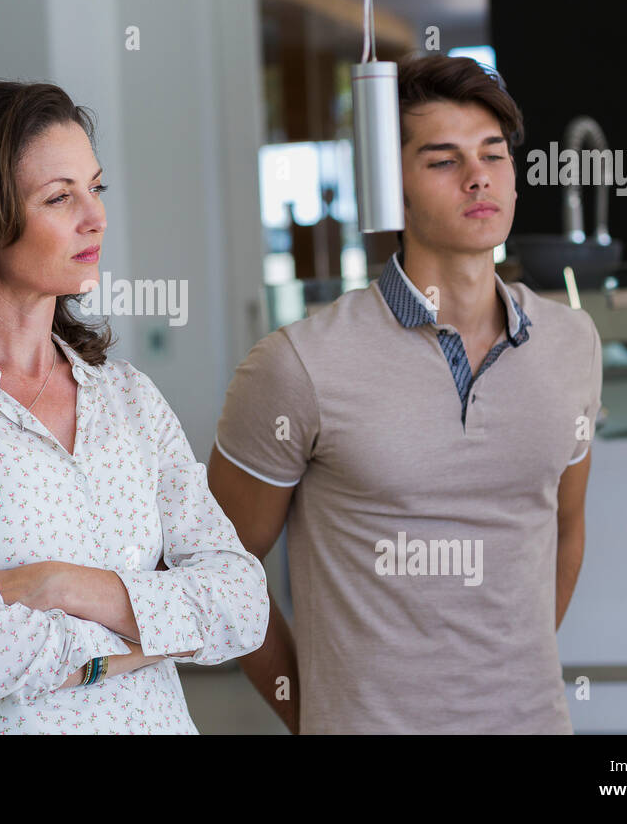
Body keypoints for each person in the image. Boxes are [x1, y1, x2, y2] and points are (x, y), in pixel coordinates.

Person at [0, 80, 268, 734]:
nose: (94, 217)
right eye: (59, 197)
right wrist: (152, 634)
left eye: (95, 190)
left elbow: (241, 604)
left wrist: (59, 586)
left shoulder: (128, 395)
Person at [209, 54, 603, 734]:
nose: (479, 176)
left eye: (493, 154)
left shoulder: (573, 343)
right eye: (443, 160)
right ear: (393, 190)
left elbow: (566, 529)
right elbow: (217, 567)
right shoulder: (298, 365)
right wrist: (309, 711)